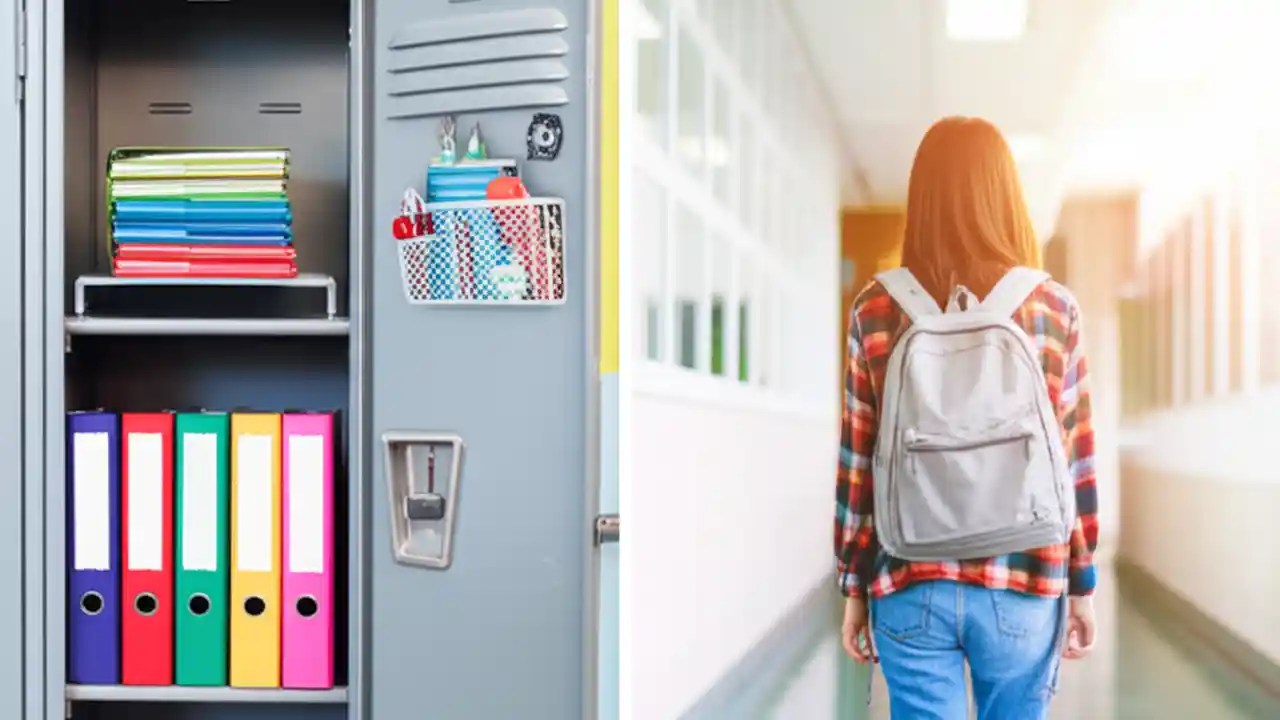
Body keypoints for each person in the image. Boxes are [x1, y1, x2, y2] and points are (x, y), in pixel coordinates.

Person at [834, 116, 1099, 719]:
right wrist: (1081, 585)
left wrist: (853, 588)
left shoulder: (875, 308)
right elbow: (1074, 460)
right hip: (1026, 576)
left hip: (908, 577)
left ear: (919, 200)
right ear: (1006, 197)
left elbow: (858, 465)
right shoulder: (1054, 308)